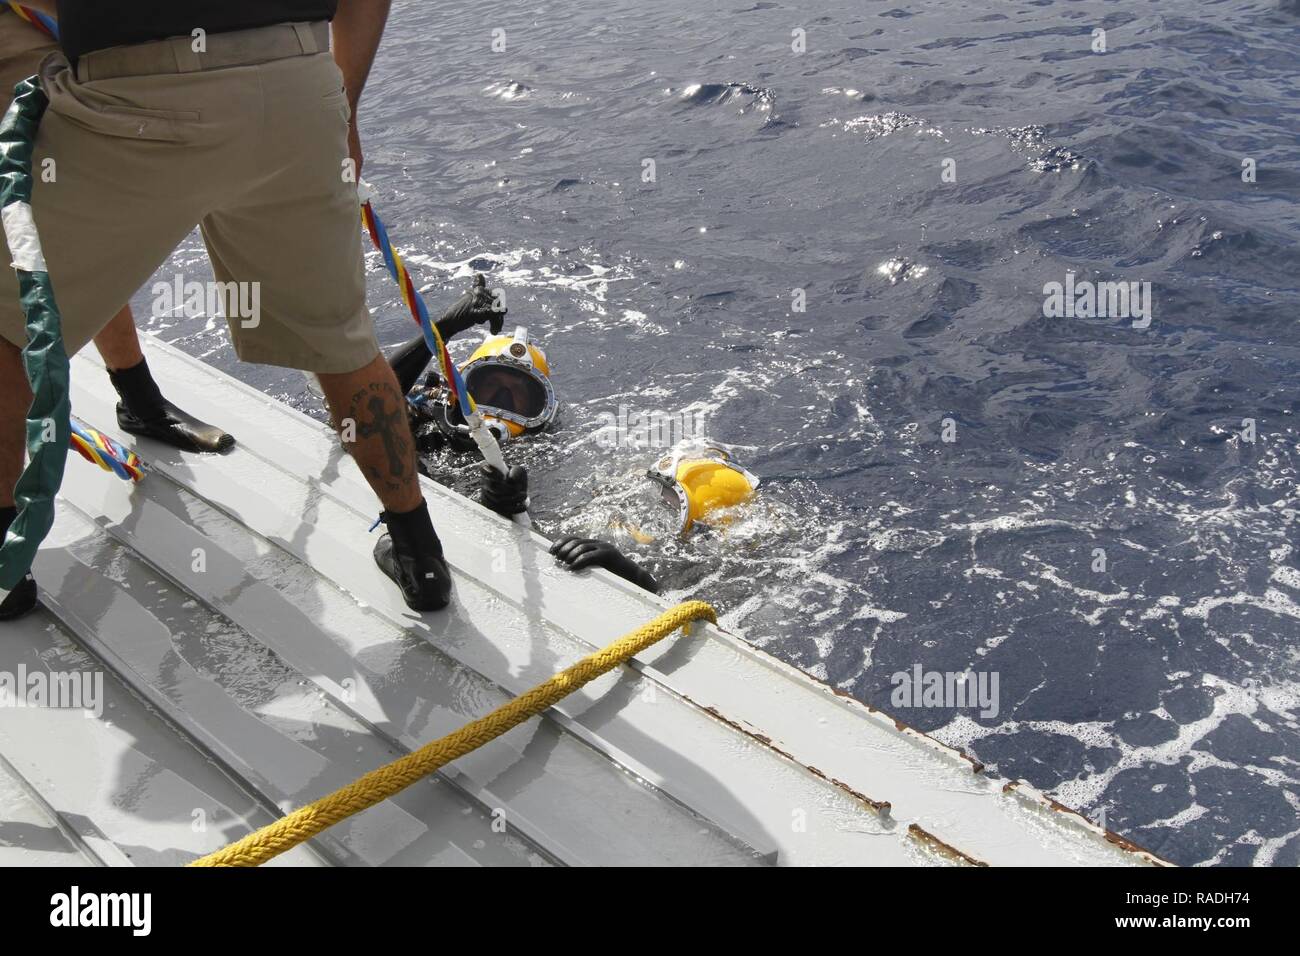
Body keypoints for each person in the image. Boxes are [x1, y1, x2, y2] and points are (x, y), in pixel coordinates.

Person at [0, 2, 453, 614]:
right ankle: (420, 556)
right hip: (299, 83)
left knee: (11, 329)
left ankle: (4, 570)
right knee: (342, 343)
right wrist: (340, 106)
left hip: (141, 89)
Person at [0, 3, 233, 620]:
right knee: (23, 290)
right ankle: (3, 561)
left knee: (72, 235)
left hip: (48, 39)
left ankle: (138, 396)